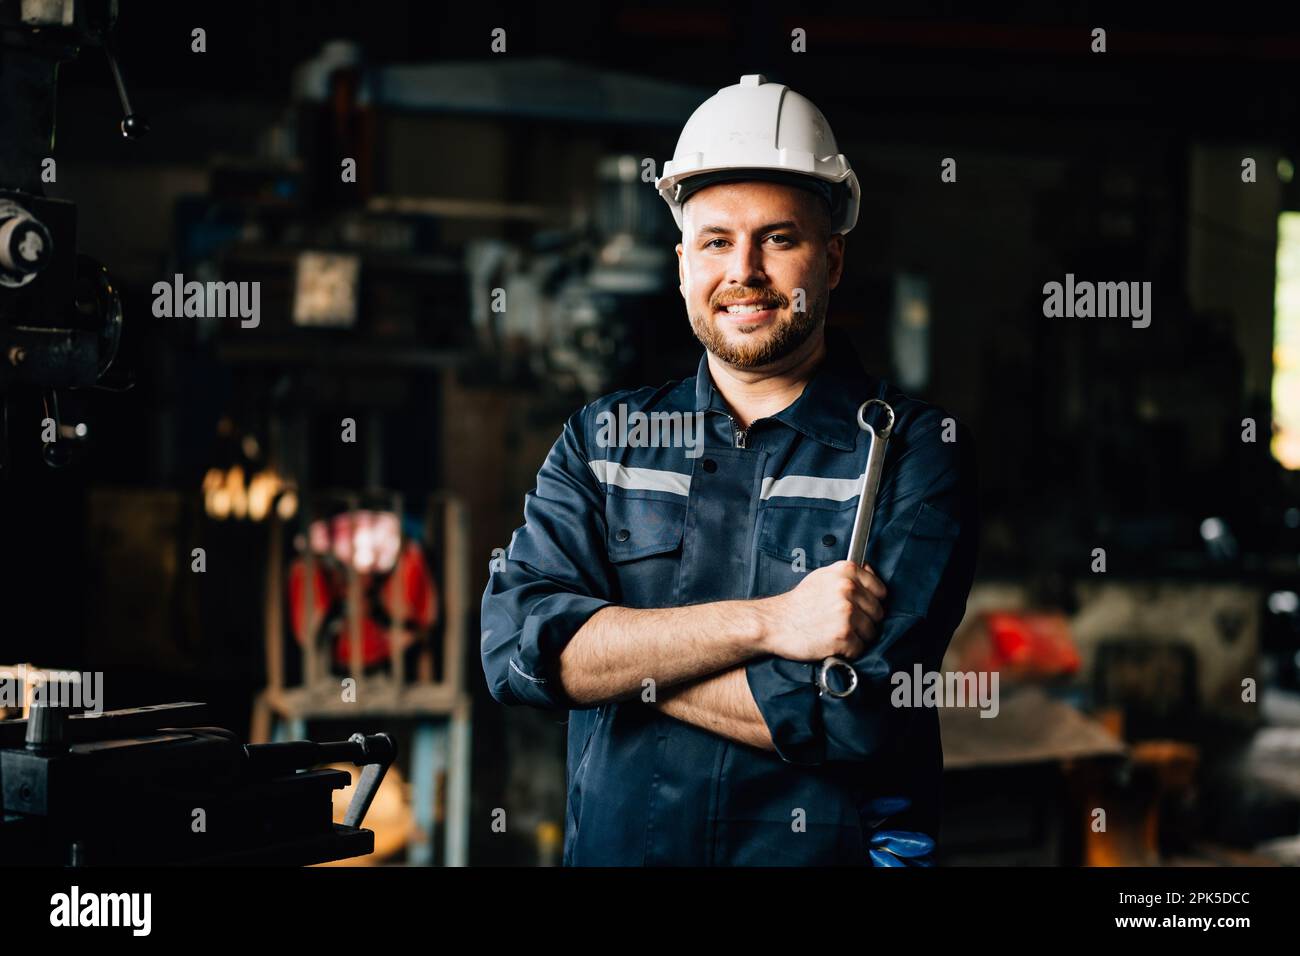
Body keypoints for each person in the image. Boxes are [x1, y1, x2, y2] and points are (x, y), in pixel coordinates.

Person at [482, 75, 979, 865]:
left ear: (834, 258)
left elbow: (857, 715)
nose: (743, 270)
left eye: (779, 238)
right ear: (682, 263)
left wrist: (612, 664)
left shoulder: (909, 454)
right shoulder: (606, 441)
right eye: (716, 241)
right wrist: (770, 623)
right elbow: (517, 649)